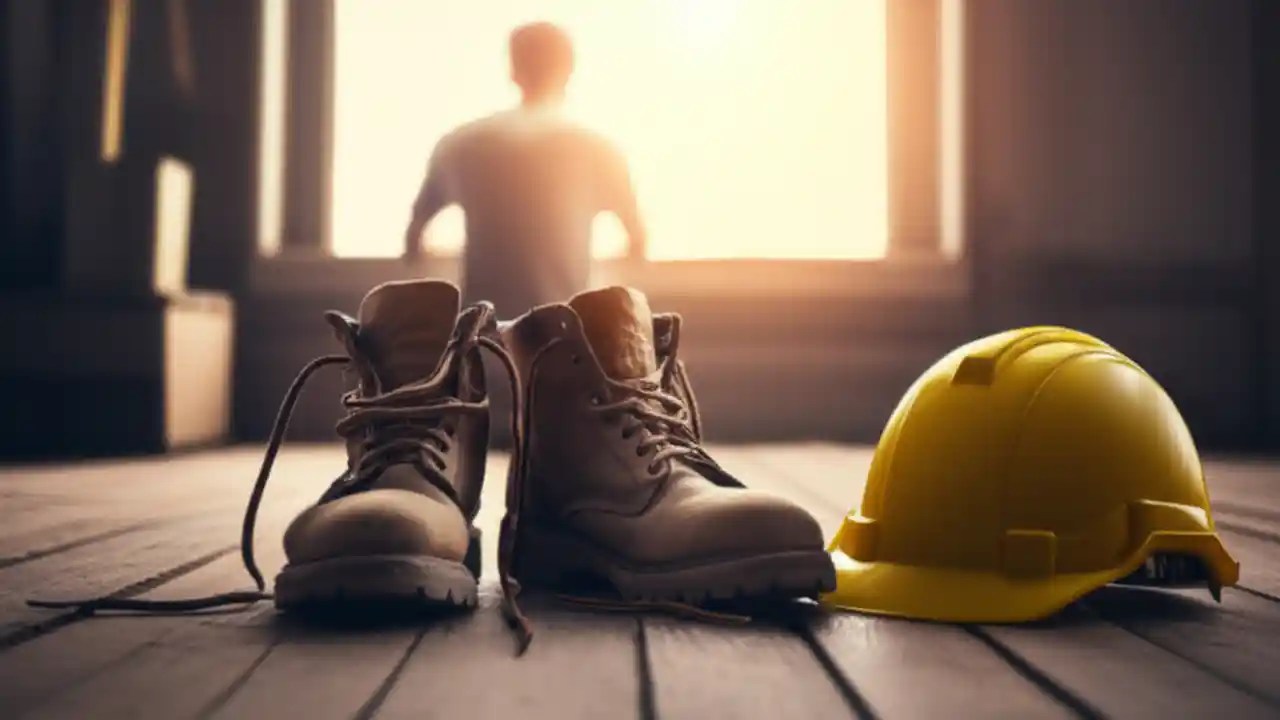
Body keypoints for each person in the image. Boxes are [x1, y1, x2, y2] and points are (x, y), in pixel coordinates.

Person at [403, 22, 647, 317]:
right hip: (565, 328)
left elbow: (414, 240)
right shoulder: (597, 150)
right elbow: (637, 242)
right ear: (569, 70)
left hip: (487, 332)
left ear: (513, 70)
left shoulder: (461, 145)